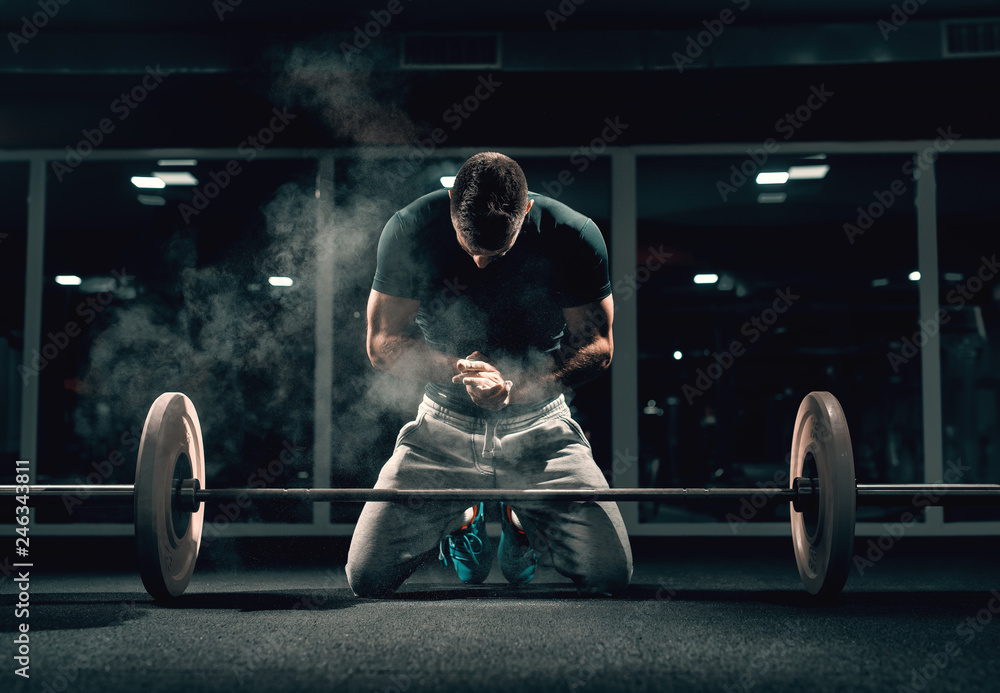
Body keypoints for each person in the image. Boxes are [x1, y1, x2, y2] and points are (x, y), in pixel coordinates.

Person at [345, 152, 632, 597]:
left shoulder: (573, 234)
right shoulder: (409, 228)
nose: (480, 262)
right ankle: (464, 515)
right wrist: (459, 369)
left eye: (497, 250)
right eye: (468, 246)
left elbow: (598, 346)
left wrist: (515, 390)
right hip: (443, 425)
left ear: (527, 211)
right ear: (451, 206)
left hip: (539, 425)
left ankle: (520, 517)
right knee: (365, 577)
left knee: (610, 575)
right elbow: (382, 343)